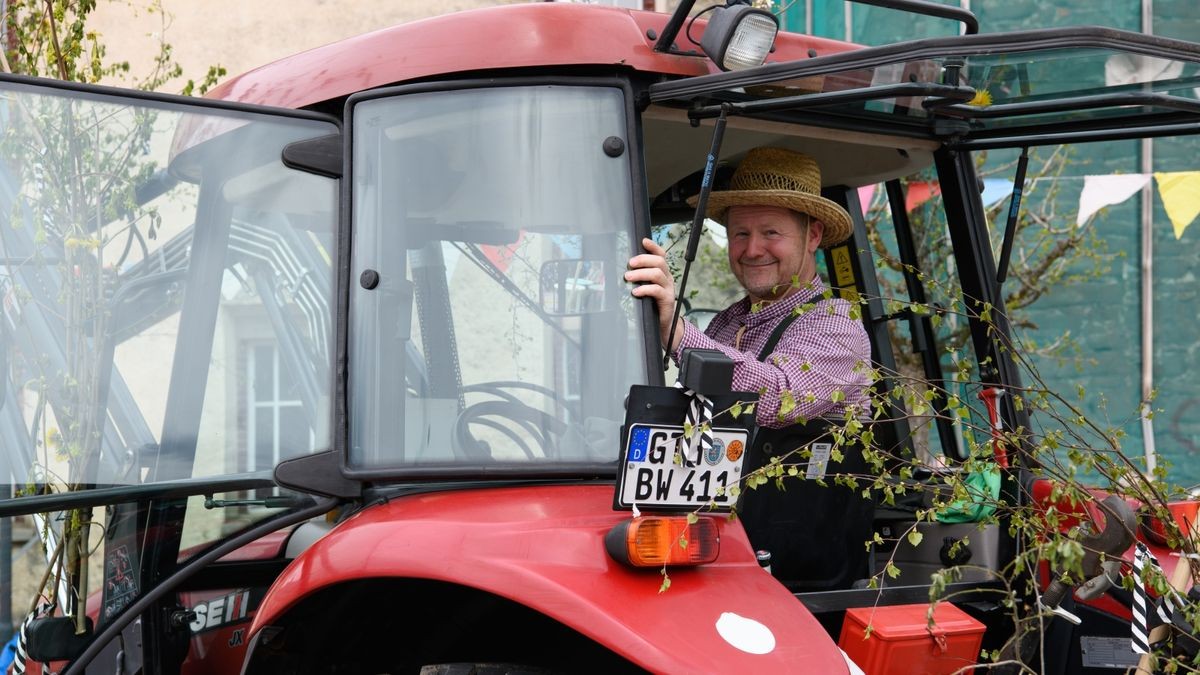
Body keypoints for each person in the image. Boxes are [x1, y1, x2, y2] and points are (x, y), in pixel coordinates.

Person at [626, 146, 872, 428]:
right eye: (741, 233)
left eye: (771, 232)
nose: (752, 250)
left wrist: (676, 330)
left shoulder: (837, 325)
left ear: (813, 236)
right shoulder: (726, 322)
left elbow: (779, 398)